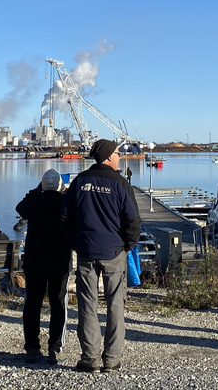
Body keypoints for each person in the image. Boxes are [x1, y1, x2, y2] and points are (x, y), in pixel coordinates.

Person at [62, 139, 141, 374]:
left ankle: (90, 359)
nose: (119, 156)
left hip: (86, 251)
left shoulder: (79, 181)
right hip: (114, 252)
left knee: (87, 305)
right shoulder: (120, 183)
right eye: (117, 153)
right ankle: (112, 360)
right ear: (108, 157)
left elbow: (65, 217)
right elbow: (132, 219)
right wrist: (128, 245)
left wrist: (75, 243)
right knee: (116, 306)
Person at [16, 169, 73, 365]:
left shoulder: (34, 202)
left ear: (42, 185)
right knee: (58, 304)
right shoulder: (65, 202)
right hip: (60, 260)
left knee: (33, 303)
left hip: (35, 260)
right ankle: (55, 348)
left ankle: (32, 347)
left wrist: (36, 191)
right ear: (59, 185)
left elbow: (20, 207)